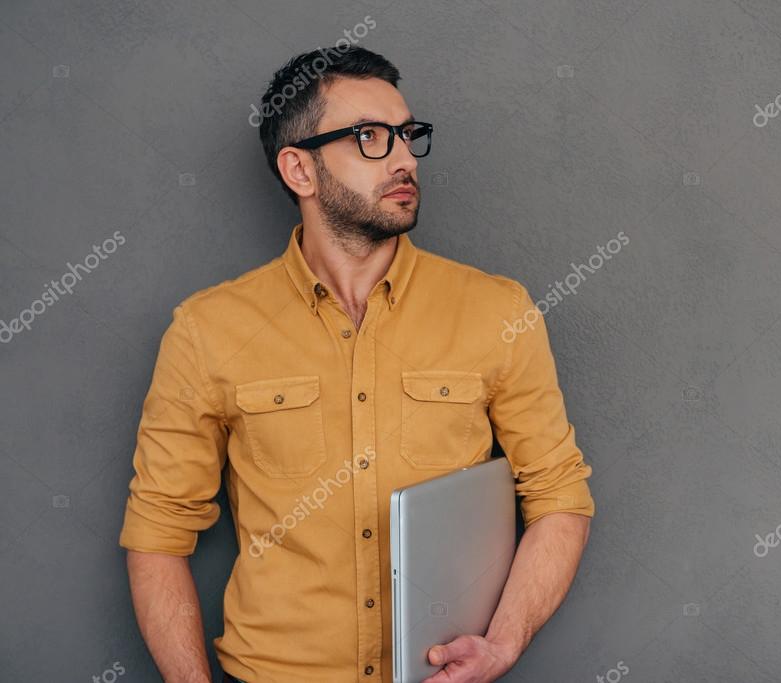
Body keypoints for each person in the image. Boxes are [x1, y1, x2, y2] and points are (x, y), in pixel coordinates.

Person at [118, 45, 596, 683]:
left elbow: (560, 496)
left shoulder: (496, 311)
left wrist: (502, 645)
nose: (403, 158)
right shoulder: (207, 331)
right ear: (300, 170)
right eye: (370, 136)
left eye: (407, 135)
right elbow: (158, 531)